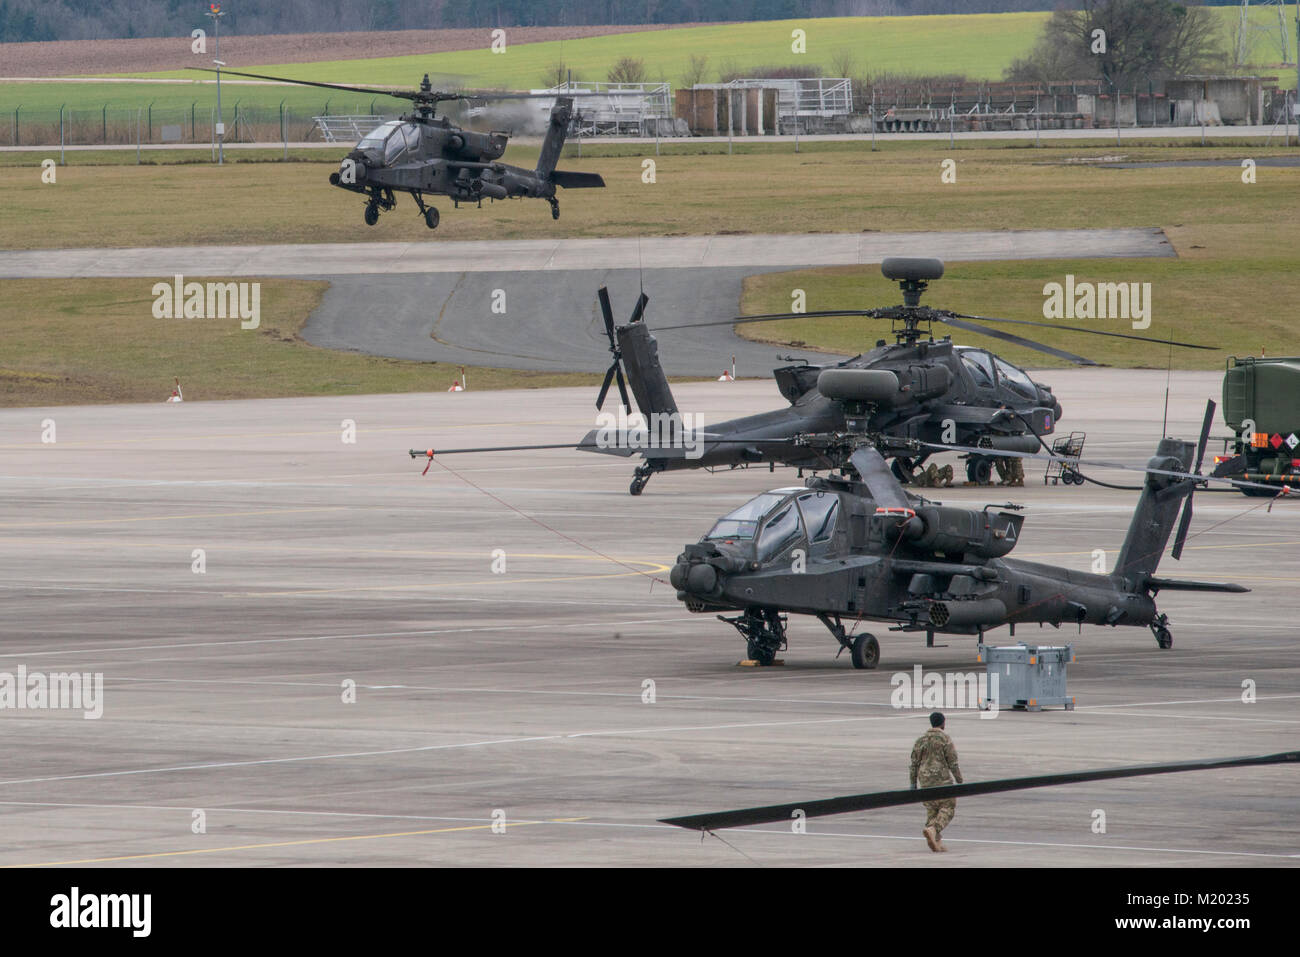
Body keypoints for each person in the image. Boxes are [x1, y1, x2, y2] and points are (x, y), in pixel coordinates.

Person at [909, 711, 963, 852]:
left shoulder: (921, 740)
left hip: (925, 780)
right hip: (942, 780)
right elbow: (953, 762)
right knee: (948, 807)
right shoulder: (945, 739)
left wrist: (913, 784)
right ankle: (933, 830)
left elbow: (914, 764)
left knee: (932, 809)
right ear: (943, 723)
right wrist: (959, 780)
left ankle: (936, 842)